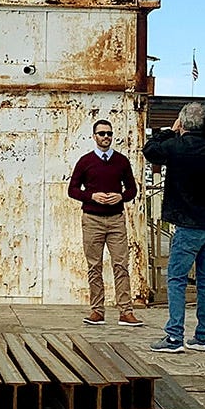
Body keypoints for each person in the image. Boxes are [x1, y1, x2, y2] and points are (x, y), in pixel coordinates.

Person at [144, 101, 205, 353]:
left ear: (183, 122)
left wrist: (170, 130)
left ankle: (174, 336)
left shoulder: (176, 147)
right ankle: (203, 337)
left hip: (187, 224)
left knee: (176, 280)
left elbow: (150, 150)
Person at [67, 117, 140, 326]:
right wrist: (91, 196)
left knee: (120, 265)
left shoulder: (122, 161)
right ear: (94, 136)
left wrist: (122, 197)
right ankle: (97, 311)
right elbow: (72, 190)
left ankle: (126, 311)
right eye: (102, 133)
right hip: (92, 220)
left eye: (109, 133)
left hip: (116, 220)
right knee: (94, 266)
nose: (106, 137)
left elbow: (132, 189)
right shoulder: (85, 161)